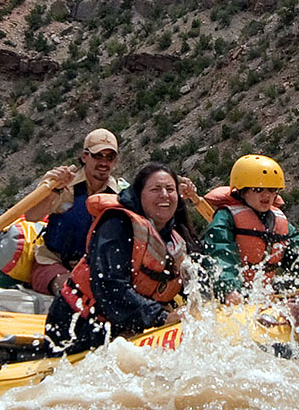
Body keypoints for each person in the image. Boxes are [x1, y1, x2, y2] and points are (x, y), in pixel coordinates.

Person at [45, 163, 201, 354]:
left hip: (124, 325)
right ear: (139, 194)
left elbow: (195, 282)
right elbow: (109, 286)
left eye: (170, 189)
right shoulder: (117, 224)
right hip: (78, 326)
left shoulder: (175, 238)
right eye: (155, 189)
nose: (164, 195)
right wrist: (160, 317)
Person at [202, 154, 299, 304]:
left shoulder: (280, 222)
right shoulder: (226, 217)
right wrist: (228, 289)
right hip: (231, 293)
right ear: (242, 190)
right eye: (258, 189)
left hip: (262, 293)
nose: (266, 195)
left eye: (272, 189)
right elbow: (220, 253)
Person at [25, 128, 128, 295]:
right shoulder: (61, 184)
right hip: (51, 262)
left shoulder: (120, 195)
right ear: (84, 157)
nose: (104, 162)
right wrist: (53, 190)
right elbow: (31, 216)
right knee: (73, 289)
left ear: (115, 162)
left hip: (92, 268)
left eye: (110, 157)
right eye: (97, 155)